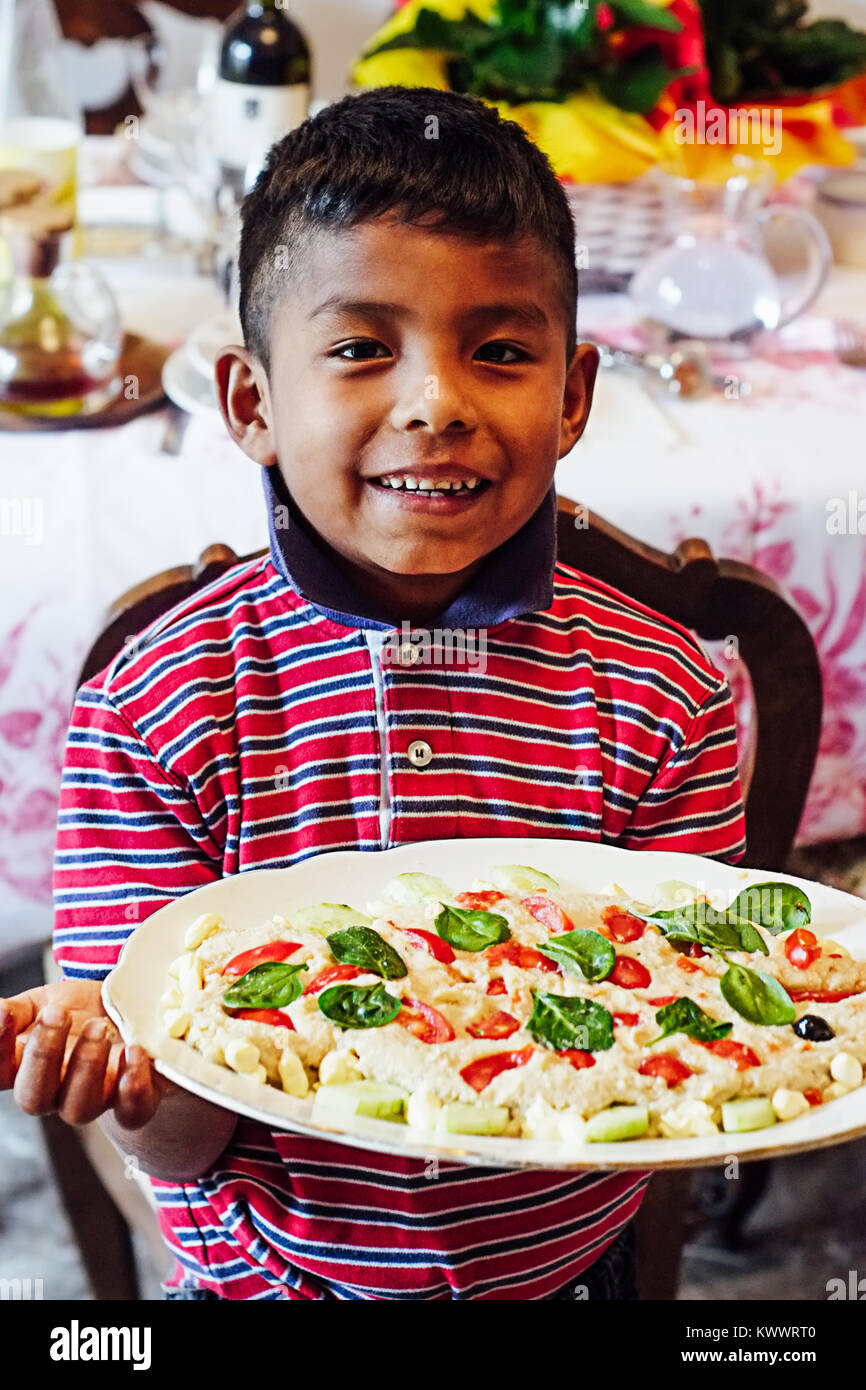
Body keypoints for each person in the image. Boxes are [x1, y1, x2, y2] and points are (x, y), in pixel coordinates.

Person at [0, 87, 745, 1300]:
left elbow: (693, 1026)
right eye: (358, 348)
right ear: (250, 401)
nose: (436, 403)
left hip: (564, 1275)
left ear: (570, 395)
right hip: (279, 1284)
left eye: (499, 351)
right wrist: (123, 1078)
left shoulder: (665, 691)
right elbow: (179, 1145)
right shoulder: (159, 706)